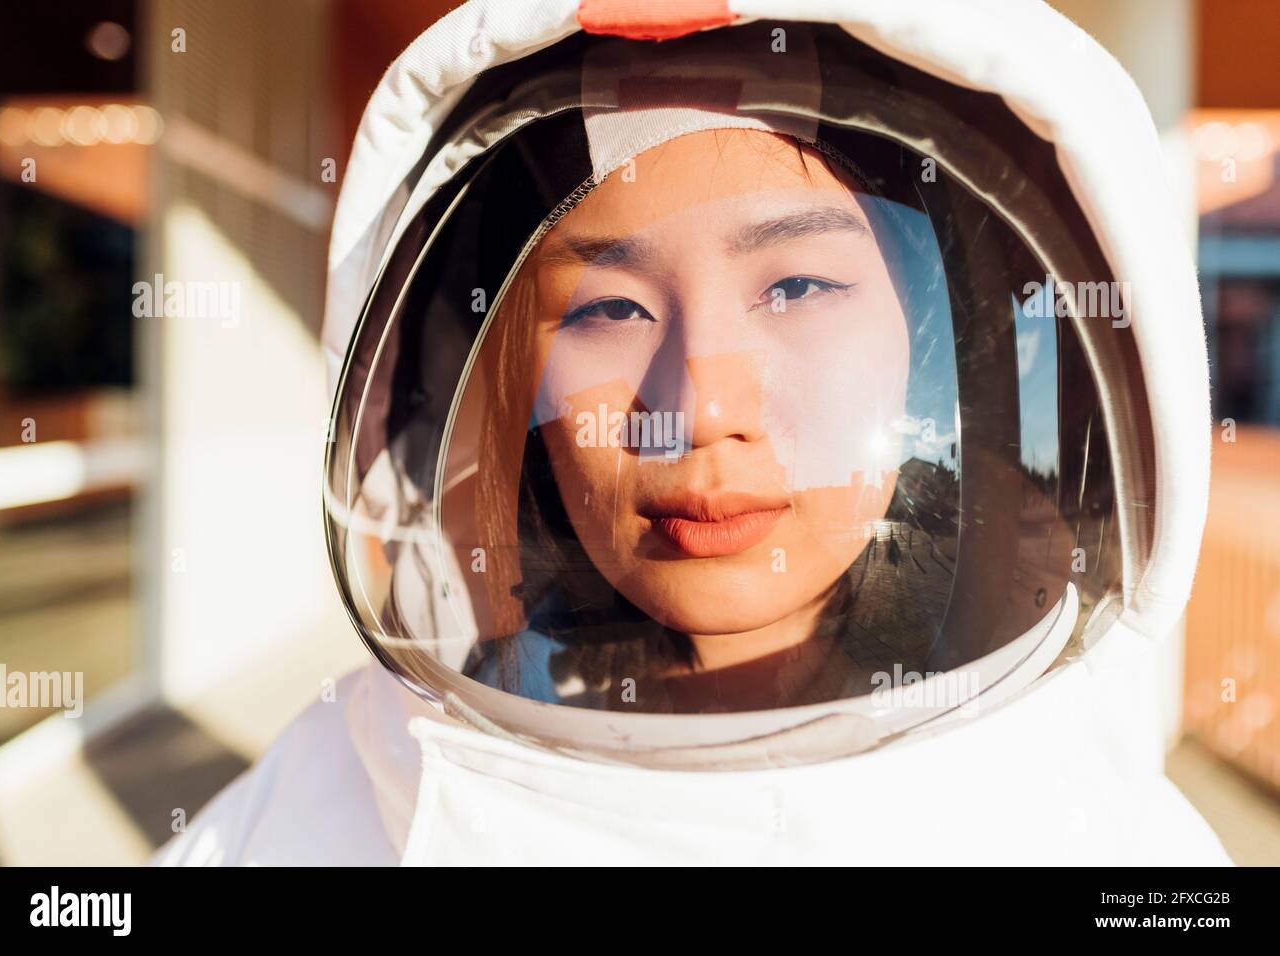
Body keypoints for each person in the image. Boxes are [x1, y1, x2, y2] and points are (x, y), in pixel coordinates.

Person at [157, 0, 1230, 865]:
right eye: (607, 309)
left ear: (939, 336)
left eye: (799, 284)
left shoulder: (1122, 852)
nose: (700, 407)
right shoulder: (311, 810)